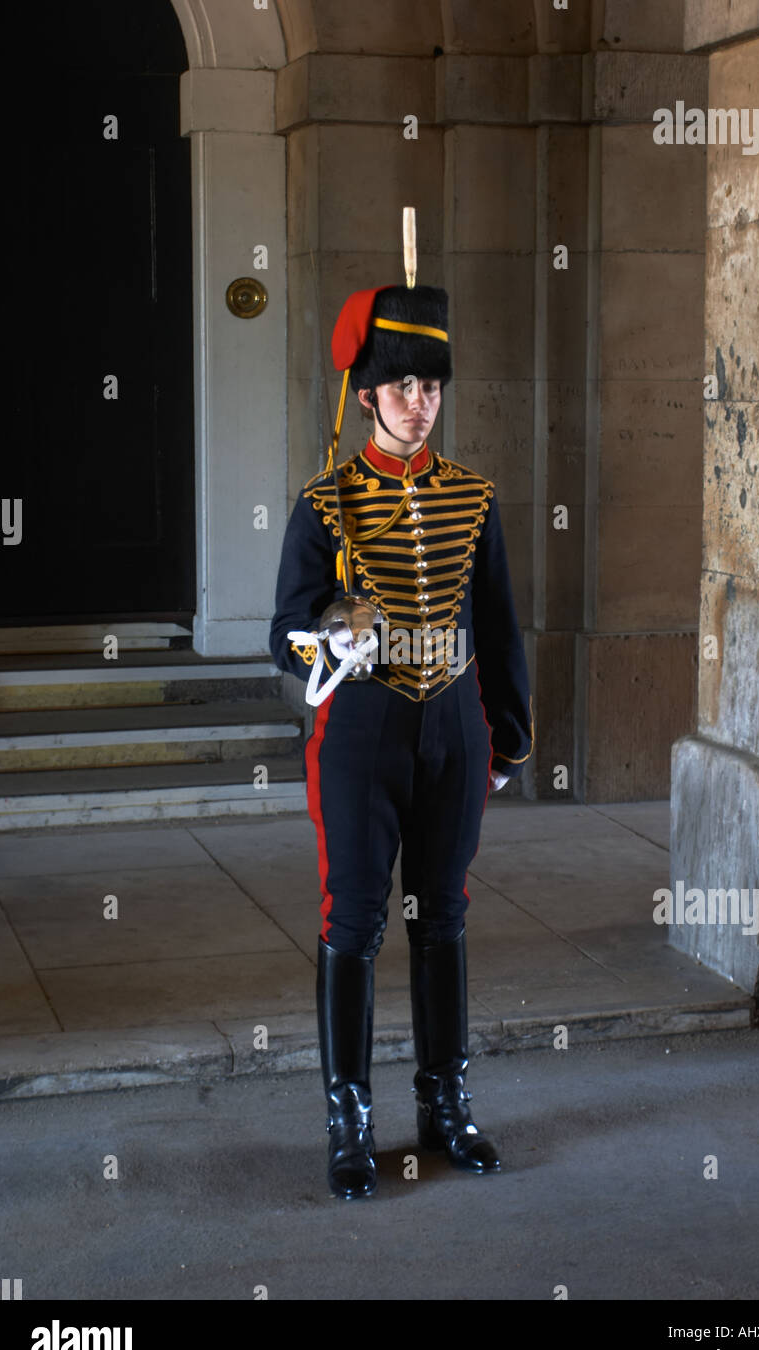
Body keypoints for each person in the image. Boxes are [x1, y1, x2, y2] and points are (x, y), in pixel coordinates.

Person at [269, 282, 533, 1199]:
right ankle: (349, 1122)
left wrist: (508, 739)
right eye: (403, 385)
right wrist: (329, 634)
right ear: (369, 394)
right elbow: (284, 629)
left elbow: (496, 628)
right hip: (363, 730)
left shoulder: (472, 496)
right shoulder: (325, 506)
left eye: (431, 385)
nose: (419, 402)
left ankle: (445, 1109)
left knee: (443, 917)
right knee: (355, 921)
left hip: (453, 725)